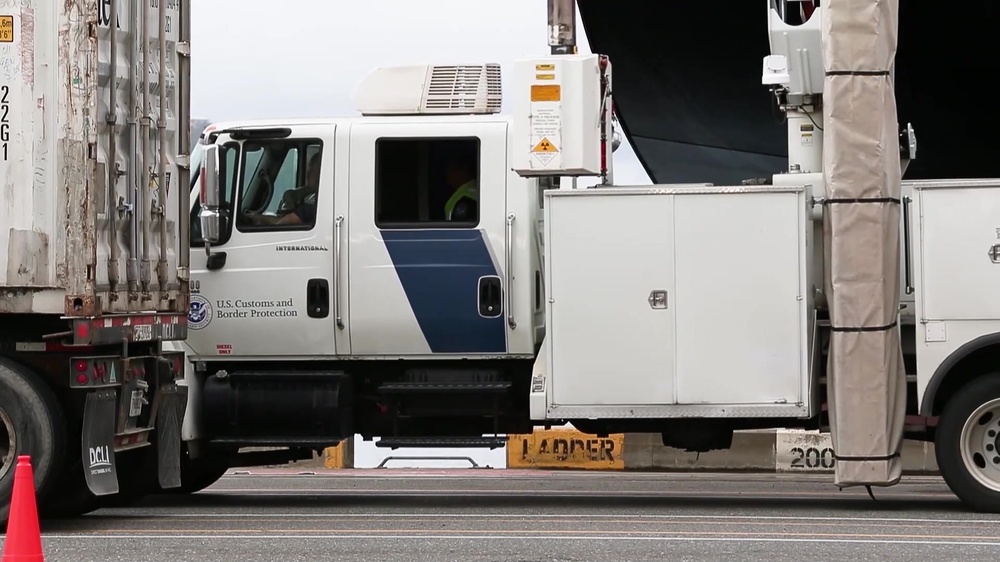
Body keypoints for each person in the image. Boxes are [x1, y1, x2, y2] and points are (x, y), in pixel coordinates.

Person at [244, 152, 321, 226]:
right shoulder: (315, 200)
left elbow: (286, 222)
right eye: (308, 170)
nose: (308, 174)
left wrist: (259, 219)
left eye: (312, 170)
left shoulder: (312, 208)